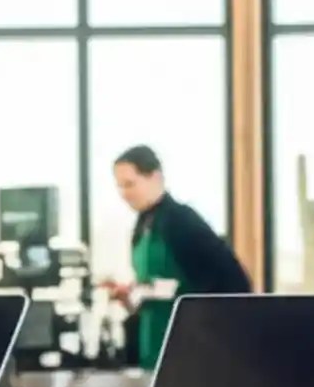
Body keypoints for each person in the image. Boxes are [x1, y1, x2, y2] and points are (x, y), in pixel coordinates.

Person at [103, 145, 251, 370]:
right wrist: (130, 295)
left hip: (191, 350)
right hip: (152, 348)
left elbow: (233, 283)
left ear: (156, 178)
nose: (124, 194)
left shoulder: (183, 221)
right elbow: (154, 289)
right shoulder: (141, 226)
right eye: (120, 186)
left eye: (130, 184)